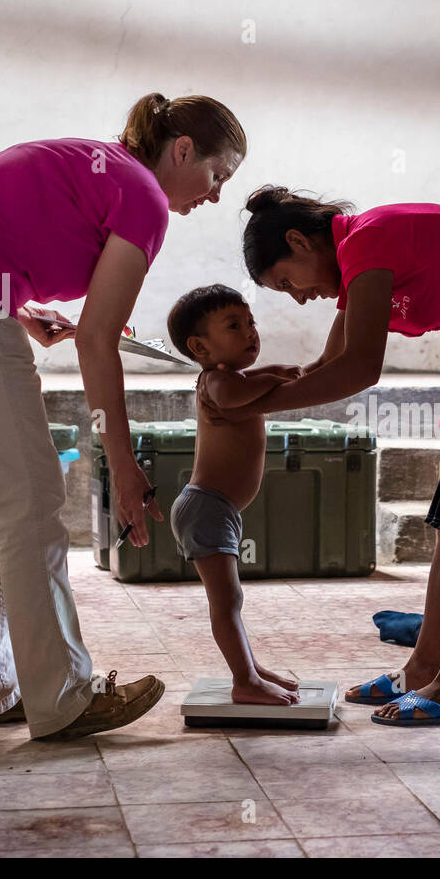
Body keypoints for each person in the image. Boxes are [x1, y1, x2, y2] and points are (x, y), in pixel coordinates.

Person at [0, 93, 246, 740]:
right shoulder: (145, 196)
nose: (213, 196)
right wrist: (124, 466)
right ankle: (63, 697)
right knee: (30, 496)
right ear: (182, 151)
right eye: (217, 175)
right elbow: (98, 341)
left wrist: (18, 309)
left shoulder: (99, 167)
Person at [199, 188, 440, 726]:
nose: (299, 296)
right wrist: (251, 394)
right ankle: (425, 665)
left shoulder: (368, 244)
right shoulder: (359, 256)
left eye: (288, 281)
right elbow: (327, 361)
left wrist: (255, 407)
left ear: (298, 241)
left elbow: (359, 369)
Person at [165, 284, 304, 706]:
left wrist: (272, 372)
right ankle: (244, 679)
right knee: (226, 600)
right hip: (206, 507)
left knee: (232, 598)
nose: (250, 333)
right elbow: (238, 395)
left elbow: (249, 387)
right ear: (200, 347)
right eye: (234, 325)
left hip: (215, 508)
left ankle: (249, 667)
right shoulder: (217, 382)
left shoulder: (231, 377)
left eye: (251, 323)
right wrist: (276, 377)